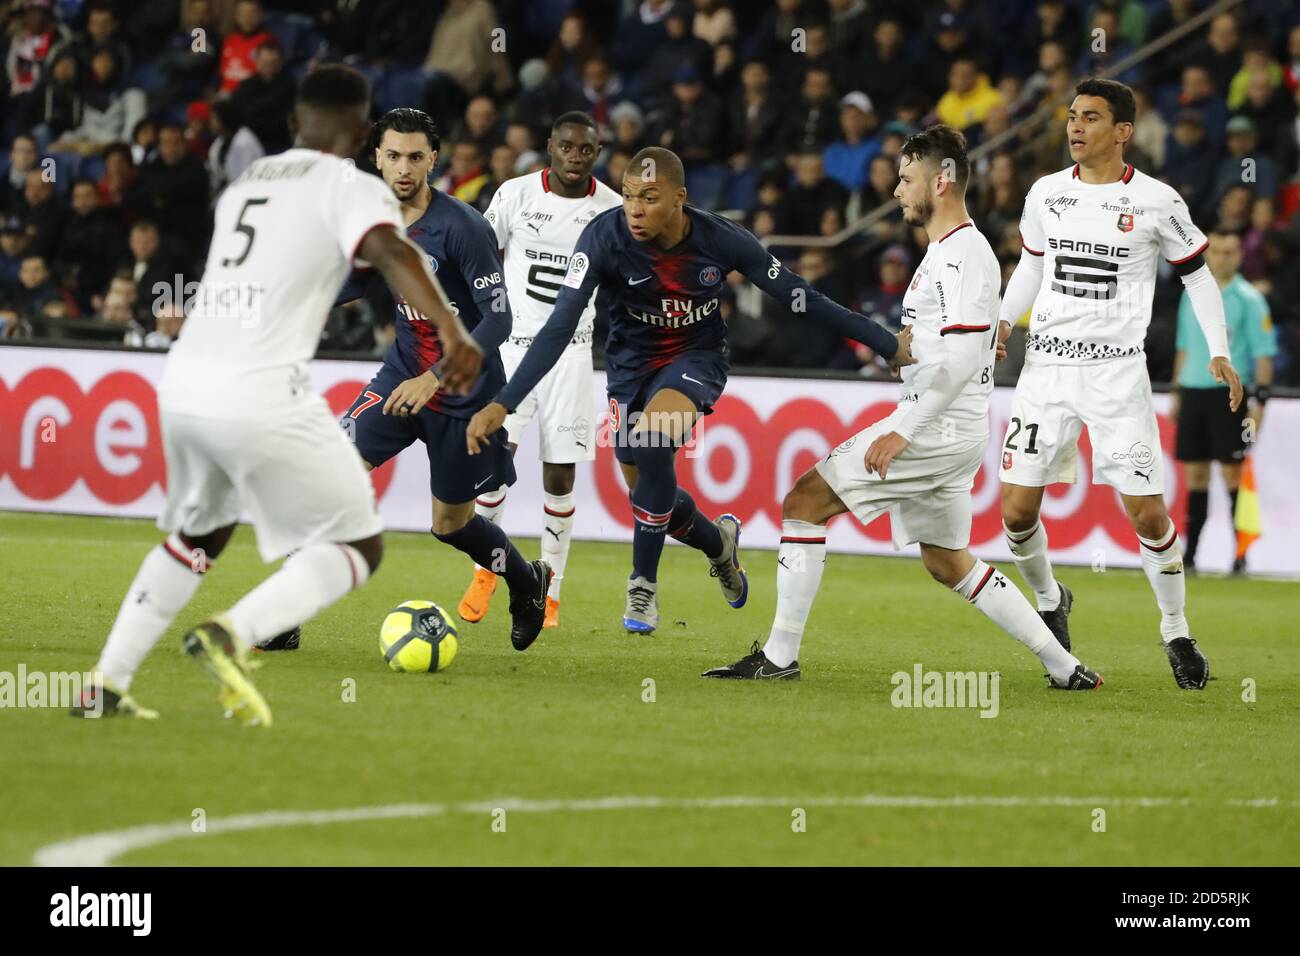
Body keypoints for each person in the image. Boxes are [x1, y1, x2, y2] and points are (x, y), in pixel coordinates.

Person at [69, 65, 482, 722]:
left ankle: (105, 686)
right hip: (258, 390)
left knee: (199, 534)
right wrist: (453, 330)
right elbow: (388, 251)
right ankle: (230, 633)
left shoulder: (247, 180)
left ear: (295, 121)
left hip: (182, 382)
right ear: (359, 131)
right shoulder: (352, 187)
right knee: (357, 544)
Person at [703, 126, 1099, 688]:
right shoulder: (947, 252)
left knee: (803, 502)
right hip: (950, 426)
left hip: (934, 426)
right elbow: (954, 346)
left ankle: (779, 656)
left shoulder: (963, 254)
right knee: (948, 561)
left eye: (906, 179)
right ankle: (1066, 668)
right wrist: (908, 354)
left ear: (941, 181)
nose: (896, 191)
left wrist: (905, 430)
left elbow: (962, 359)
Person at [467, 146, 911, 633]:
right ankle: (718, 544)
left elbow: (801, 298)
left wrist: (885, 342)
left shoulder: (721, 239)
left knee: (654, 439)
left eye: (650, 198)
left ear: (679, 198)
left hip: (694, 361)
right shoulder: (602, 238)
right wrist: (504, 402)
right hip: (629, 368)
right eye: (631, 196)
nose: (635, 209)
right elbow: (558, 330)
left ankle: (643, 586)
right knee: (647, 490)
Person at [996, 79, 1243, 691]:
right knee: (1015, 510)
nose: (1076, 128)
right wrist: (1005, 318)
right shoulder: (1046, 193)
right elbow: (1032, 262)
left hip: (1115, 373)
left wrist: (1219, 351)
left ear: (1123, 131)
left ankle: (1176, 628)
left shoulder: (1158, 202)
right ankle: (1052, 599)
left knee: (1148, 516)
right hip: (1046, 369)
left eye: (1091, 118)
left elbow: (1198, 277)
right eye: (1072, 117)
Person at [332, 107, 552, 655]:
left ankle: (526, 581)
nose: (403, 168)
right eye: (392, 156)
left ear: (433, 158)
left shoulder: (463, 228)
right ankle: (286, 618)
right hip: (401, 373)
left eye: (414, 156)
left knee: (451, 525)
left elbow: (498, 319)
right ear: (375, 159)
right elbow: (352, 284)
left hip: (462, 393)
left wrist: (435, 379)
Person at [457, 112, 622, 629]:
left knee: (559, 472)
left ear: (596, 153)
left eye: (586, 150)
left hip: (571, 354)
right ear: (550, 146)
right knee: (492, 462)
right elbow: (480, 257)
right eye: (567, 147)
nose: (576, 157)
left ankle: (551, 584)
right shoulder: (515, 195)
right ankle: (490, 569)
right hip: (512, 347)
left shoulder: (612, 209)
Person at [1172, 225, 1275, 573]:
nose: (1222, 257)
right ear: (1207, 253)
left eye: (1230, 252)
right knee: (1195, 475)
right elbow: (1185, 346)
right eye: (1216, 251)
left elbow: (1263, 356)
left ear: (1240, 256)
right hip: (1193, 391)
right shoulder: (1192, 295)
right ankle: (1191, 556)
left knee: (1233, 476)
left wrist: (1259, 404)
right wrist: (1177, 390)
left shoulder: (1249, 300)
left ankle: (1241, 555)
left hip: (1228, 395)